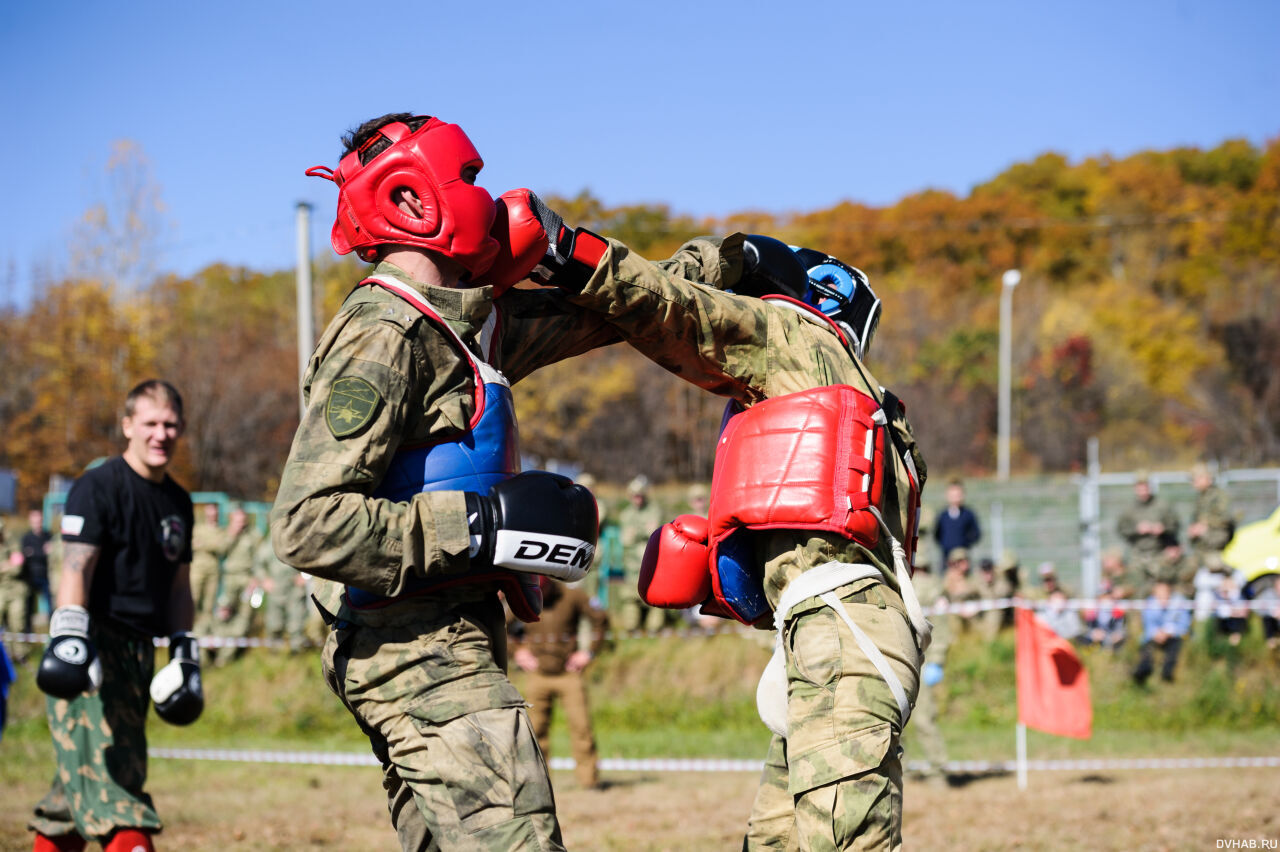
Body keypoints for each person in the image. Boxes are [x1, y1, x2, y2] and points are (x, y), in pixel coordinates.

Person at [270, 113, 627, 850]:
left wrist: (728, 268)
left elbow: (601, 317)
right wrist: (478, 523)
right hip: (415, 650)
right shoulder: (386, 332)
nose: (486, 198)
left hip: (448, 640)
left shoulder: (459, 328)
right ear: (410, 199)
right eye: (468, 179)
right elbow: (307, 520)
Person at [546, 229, 929, 847]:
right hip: (830, 634)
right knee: (777, 840)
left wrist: (566, 249)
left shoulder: (798, 339)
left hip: (842, 635)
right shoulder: (862, 394)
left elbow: (671, 306)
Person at [30, 379, 202, 852]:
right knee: (117, 784)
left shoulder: (178, 503)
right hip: (93, 647)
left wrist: (185, 649)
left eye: (169, 424)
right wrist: (70, 636)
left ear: (181, 428)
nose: (160, 434)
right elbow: (75, 566)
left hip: (140, 650)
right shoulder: (97, 486)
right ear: (128, 425)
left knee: (77, 789)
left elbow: (179, 586)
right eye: (150, 423)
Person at [509, 577, 609, 790]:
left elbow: (600, 620)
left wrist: (588, 652)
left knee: (581, 727)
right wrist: (517, 652)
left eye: (544, 588)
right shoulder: (525, 596)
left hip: (569, 674)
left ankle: (589, 781)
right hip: (537, 675)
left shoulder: (572, 596)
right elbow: (500, 623)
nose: (541, 594)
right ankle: (539, 784)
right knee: (535, 731)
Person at [907, 547, 949, 788]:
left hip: (921, 659)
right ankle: (903, 770)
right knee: (897, 721)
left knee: (923, 720)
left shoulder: (933, 588)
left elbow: (941, 627)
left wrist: (937, 660)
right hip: (899, 658)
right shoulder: (896, 580)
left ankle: (937, 772)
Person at [209, 505, 262, 667]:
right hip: (229, 579)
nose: (240, 523)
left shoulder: (253, 535)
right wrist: (232, 534)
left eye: (242, 519)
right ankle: (214, 651)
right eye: (237, 519)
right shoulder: (226, 533)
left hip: (247, 580)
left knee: (244, 618)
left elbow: (260, 559)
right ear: (232, 519)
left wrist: (256, 579)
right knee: (222, 615)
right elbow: (219, 551)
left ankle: (225, 658)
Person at [614, 475, 666, 633]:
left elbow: (653, 532)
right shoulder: (625, 515)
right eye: (634, 495)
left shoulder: (654, 510)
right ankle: (633, 627)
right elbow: (625, 539)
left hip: (652, 561)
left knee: (655, 595)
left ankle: (654, 628)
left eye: (640, 495)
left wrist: (637, 533)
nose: (637, 498)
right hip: (631, 564)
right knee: (630, 598)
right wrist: (642, 532)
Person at [1117, 472, 1180, 597]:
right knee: (1136, 589)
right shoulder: (1130, 509)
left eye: (1145, 487)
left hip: (1159, 553)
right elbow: (1121, 528)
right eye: (1140, 488)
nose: (1143, 491)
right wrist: (1136, 529)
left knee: (1162, 588)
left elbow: (1175, 525)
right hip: (1137, 554)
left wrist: (1163, 528)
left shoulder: (1162, 505)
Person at [256, 532, 311, 652]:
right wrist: (264, 580)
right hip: (276, 589)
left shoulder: (298, 539)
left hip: (294, 589)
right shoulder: (269, 543)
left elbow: (311, 560)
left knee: (296, 624)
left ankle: (296, 654)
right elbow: (258, 564)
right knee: (274, 624)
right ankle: (274, 654)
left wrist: (304, 577)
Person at [1132, 580, 1190, 685]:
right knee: (1147, 649)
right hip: (1154, 636)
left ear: (1169, 592)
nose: (1162, 597)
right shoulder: (1150, 603)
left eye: (1164, 593)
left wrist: (1169, 632)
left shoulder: (1179, 602)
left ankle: (1167, 675)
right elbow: (1148, 624)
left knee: (1174, 648)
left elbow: (1184, 624)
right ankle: (1143, 671)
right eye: (1159, 594)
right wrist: (1156, 633)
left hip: (1173, 637)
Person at [1186, 463, 1235, 574]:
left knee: (1215, 566)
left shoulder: (1219, 495)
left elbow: (1226, 518)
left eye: (1196, 479)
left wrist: (1205, 525)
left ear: (1207, 478)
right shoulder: (1201, 497)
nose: (1193, 483)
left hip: (1217, 543)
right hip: (1202, 546)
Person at [188, 503, 228, 635]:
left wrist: (203, 544)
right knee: (193, 600)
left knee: (209, 604)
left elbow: (221, 547)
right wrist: (211, 545)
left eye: (214, 513)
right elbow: (192, 544)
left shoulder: (221, 531)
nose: (212, 515)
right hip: (197, 569)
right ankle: (190, 628)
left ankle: (204, 632)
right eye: (209, 513)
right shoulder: (198, 529)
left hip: (213, 571)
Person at [21, 508, 55, 629]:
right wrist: (42, 552)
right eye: (34, 520)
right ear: (31, 521)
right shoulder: (26, 538)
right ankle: (27, 633)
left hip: (46, 576)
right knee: (28, 607)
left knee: (51, 607)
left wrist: (33, 552)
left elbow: (51, 553)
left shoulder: (48, 535)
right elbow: (24, 556)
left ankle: (53, 631)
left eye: (39, 520)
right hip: (30, 577)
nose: (37, 523)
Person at [934, 479, 980, 568]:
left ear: (963, 495)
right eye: (952, 495)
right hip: (947, 558)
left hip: (963, 558)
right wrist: (945, 545)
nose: (955, 497)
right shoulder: (942, 515)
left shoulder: (968, 514)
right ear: (947, 495)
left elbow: (976, 534)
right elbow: (937, 534)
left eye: (957, 495)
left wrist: (965, 543)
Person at [0, 519, 29, 642]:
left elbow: (17, 568)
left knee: (17, 623)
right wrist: (7, 564)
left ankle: (19, 654)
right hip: (1, 589)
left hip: (16, 590)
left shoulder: (13, 545)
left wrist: (3, 567)